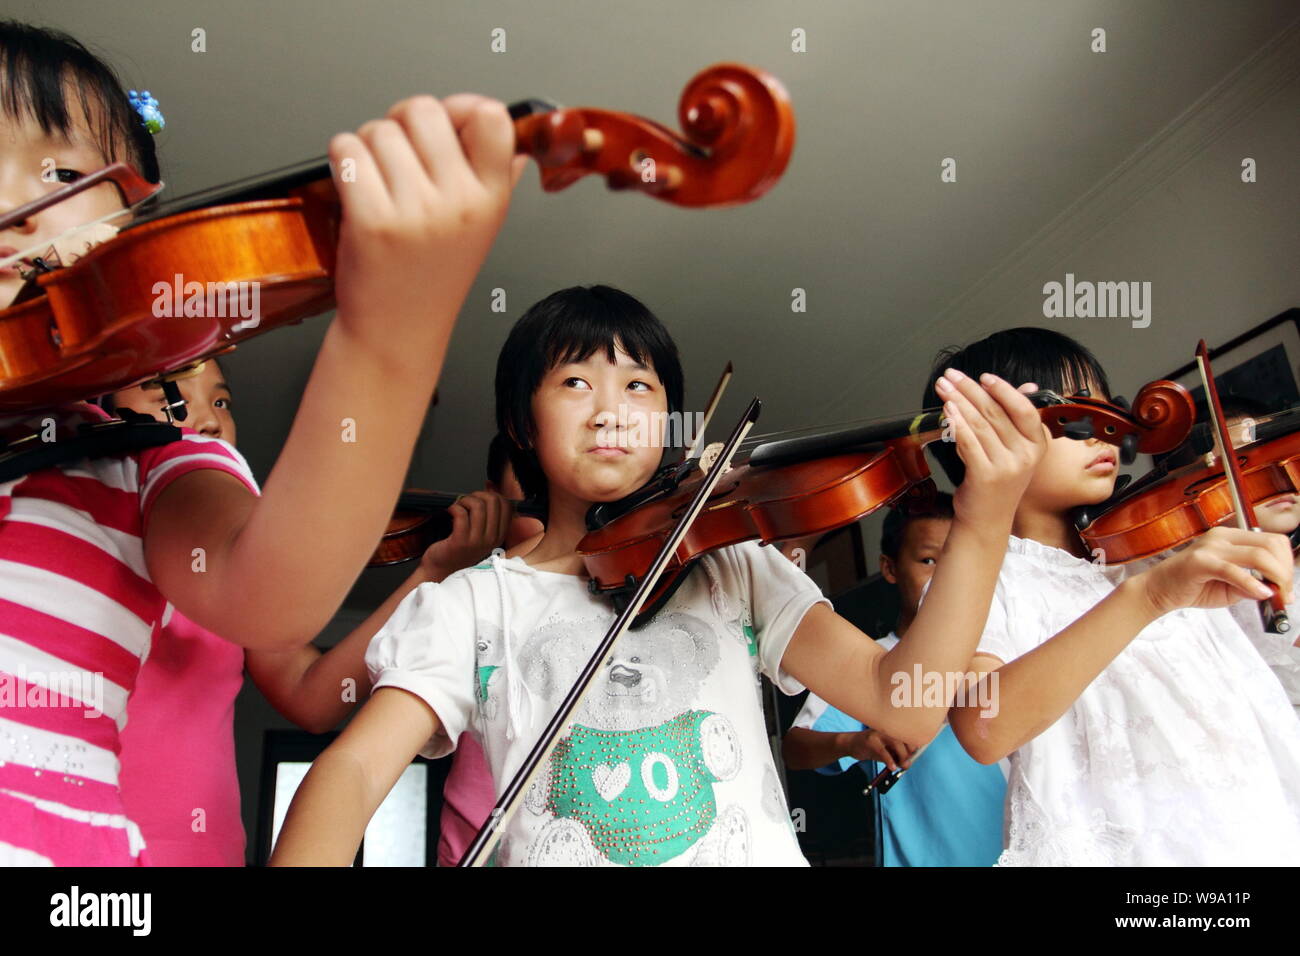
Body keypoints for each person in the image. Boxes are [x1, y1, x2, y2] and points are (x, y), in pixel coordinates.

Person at [269, 283, 1049, 867]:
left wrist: (984, 519)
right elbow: (357, 766)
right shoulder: (473, 603)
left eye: (639, 387)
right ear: (520, 424)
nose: (612, 411)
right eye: (575, 383)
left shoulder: (733, 565)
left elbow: (898, 704)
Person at [0, 20, 523, 865]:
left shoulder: (137, 466)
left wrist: (393, 332)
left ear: (128, 238)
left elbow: (278, 599)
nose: (8, 207)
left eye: (60, 173)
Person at [108, 362, 519, 864]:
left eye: (222, 402)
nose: (211, 421)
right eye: (166, 395)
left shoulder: (233, 570)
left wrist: (431, 572)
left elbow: (314, 697)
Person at [924, 326, 1300, 866]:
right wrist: (1148, 598)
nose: (1104, 433)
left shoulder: (1158, 547)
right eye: (1069, 416)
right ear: (989, 442)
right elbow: (985, 728)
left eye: (1107, 412)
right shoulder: (987, 575)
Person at [783, 495, 1007, 866]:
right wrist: (856, 741)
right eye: (929, 561)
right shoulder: (873, 662)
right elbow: (795, 748)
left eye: (958, 562)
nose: (945, 578)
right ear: (890, 568)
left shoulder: (1003, 649)